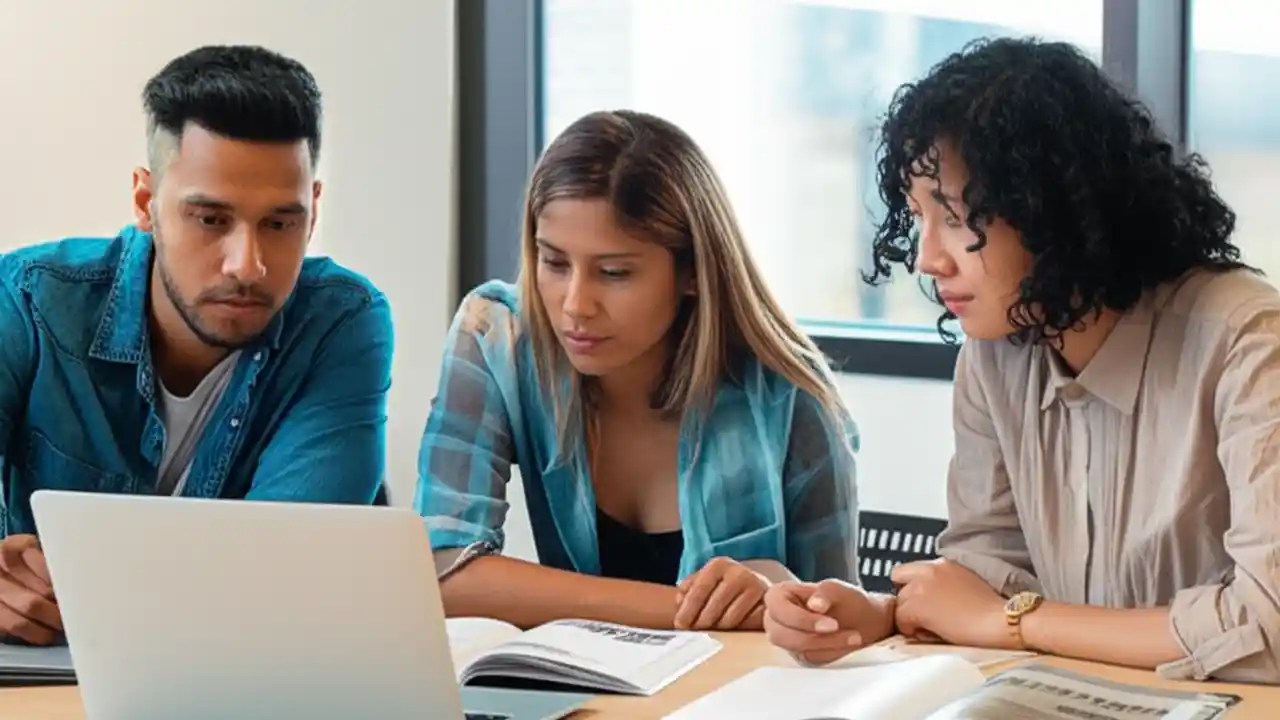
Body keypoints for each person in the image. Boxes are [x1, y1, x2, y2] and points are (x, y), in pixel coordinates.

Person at [763, 36, 1280, 684]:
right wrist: (883, 613)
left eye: (954, 217)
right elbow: (985, 577)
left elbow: (1269, 628)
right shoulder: (993, 356)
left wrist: (1015, 622)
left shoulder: (1248, 343)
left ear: (1050, 206)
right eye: (918, 217)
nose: (926, 259)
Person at [415, 110, 867, 632]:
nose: (576, 305)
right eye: (554, 263)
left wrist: (784, 598)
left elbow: (839, 625)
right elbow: (443, 571)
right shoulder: (498, 337)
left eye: (614, 273)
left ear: (693, 273)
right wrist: (695, 612)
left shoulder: (790, 393)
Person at [0, 45, 393, 645]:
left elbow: (290, 570)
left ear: (313, 211)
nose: (248, 265)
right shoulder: (30, 300)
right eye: (210, 219)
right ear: (145, 202)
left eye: (280, 223)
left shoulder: (342, 324)